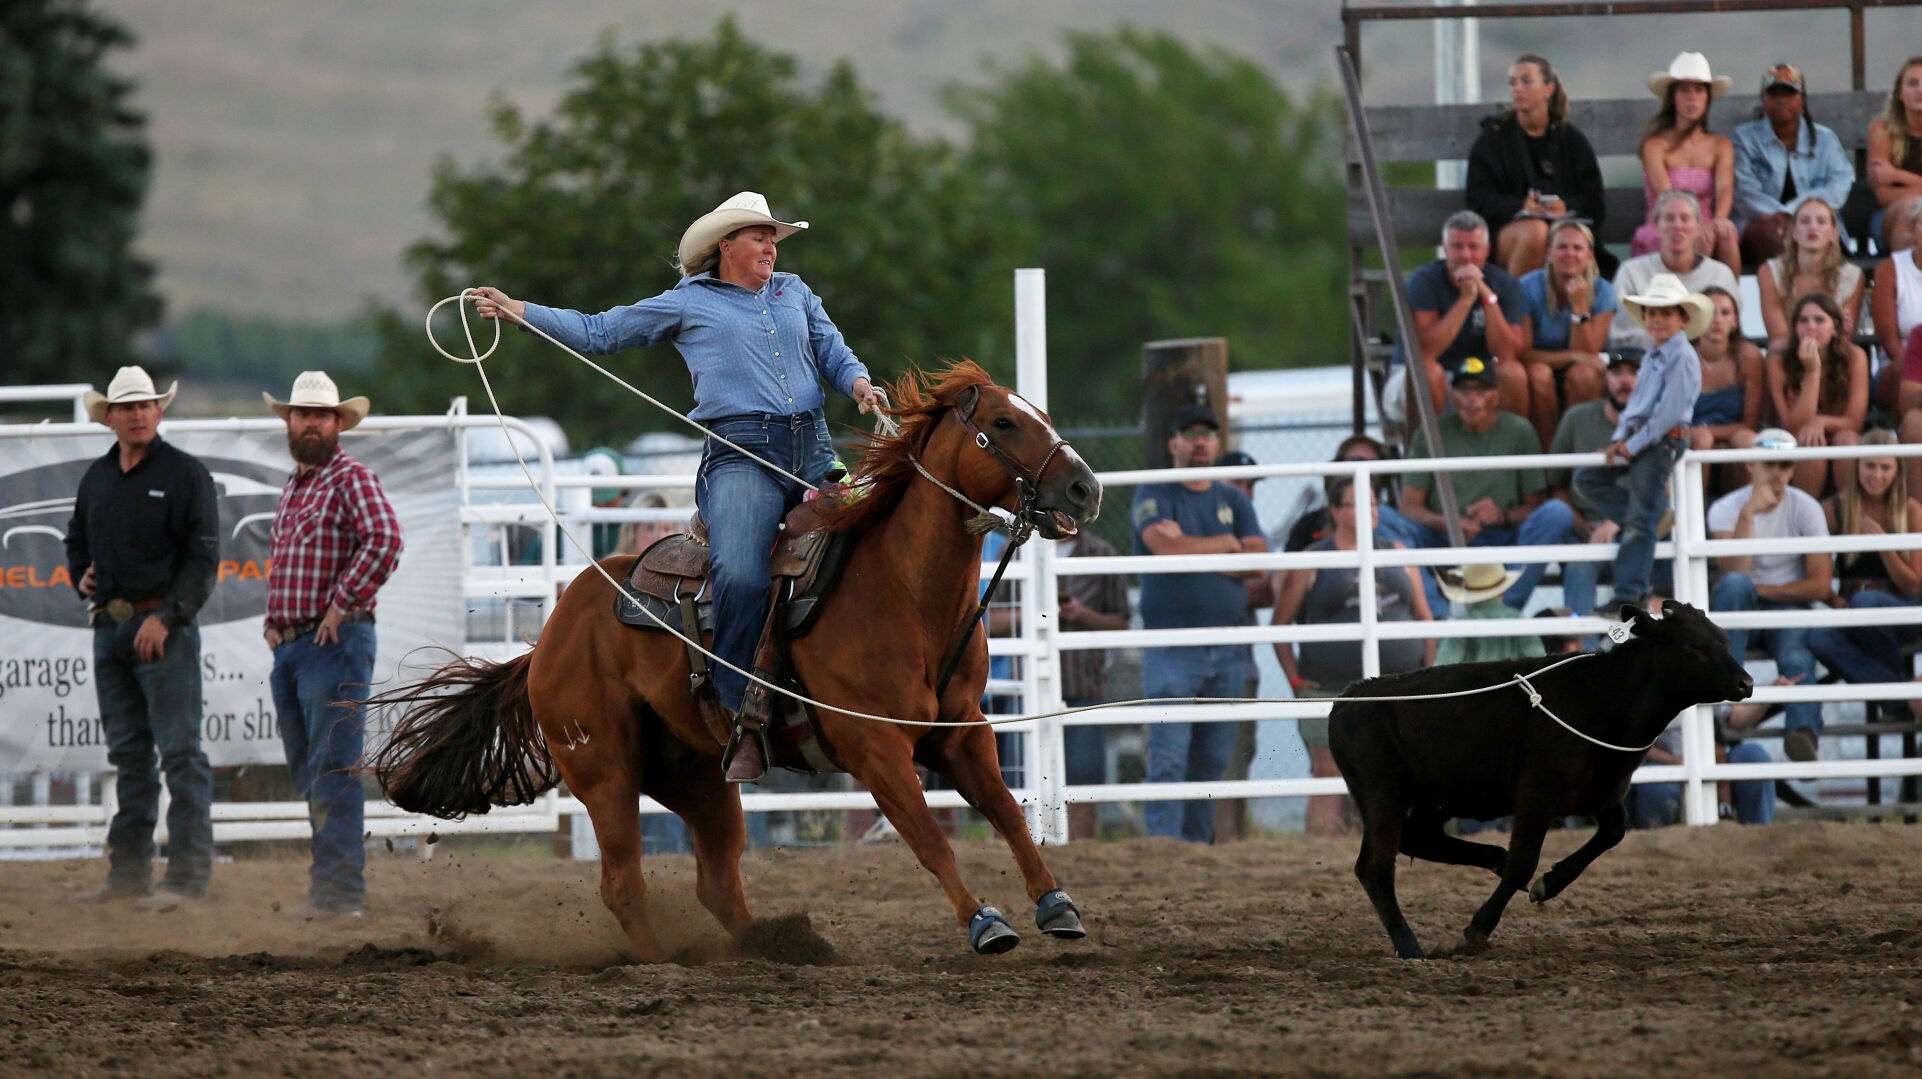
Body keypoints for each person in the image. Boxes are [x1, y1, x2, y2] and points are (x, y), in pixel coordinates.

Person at [468, 191, 881, 783]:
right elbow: (599, 332)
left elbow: (833, 352)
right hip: (742, 455)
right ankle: (740, 706)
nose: (771, 245)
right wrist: (519, 310)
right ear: (726, 246)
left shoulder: (797, 293)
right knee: (739, 570)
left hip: (813, 449)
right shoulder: (688, 303)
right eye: (759, 235)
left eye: (773, 236)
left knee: (882, 529)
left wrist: (860, 383)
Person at [63, 366, 219, 907]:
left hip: (161, 630)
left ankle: (186, 880)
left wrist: (167, 617)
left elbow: (202, 561)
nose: (137, 414)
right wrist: (81, 574)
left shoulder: (184, 475)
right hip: (110, 626)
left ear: (159, 411)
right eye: (127, 407)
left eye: (146, 405)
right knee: (130, 756)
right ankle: (128, 877)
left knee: (179, 753)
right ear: (110, 417)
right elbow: (75, 539)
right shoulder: (98, 478)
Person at [262, 371, 404, 919]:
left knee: (333, 769)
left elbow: (386, 538)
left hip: (335, 641)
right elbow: (292, 564)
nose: (312, 422)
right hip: (297, 645)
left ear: (338, 423)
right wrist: (275, 621)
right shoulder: (298, 484)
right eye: (303, 414)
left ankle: (341, 893)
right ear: (290, 422)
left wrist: (342, 603)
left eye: (321, 414)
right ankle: (330, 886)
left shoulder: (349, 477)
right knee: (312, 769)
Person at [1270, 474, 1435, 836]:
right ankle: (1323, 857)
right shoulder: (1311, 560)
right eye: (1359, 503)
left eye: (1374, 503)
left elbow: (1424, 618)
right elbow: (1279, 627)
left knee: (1394, 769)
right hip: (1329, 687)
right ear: (1335, 510)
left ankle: (1389, 848)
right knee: (1328, 772)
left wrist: (1428, 671)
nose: (1371, 510)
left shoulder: (1399, 554)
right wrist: (1296, 680)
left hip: (1398, 686)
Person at [1131, 404, 1266, 843]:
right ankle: (1165, 849)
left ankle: (1194, 850)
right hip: (1173, 647)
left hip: (1228, 647)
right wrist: (1228, 547)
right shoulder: (1153, 491)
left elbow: (1259, 563)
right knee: (1169, 757)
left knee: (1211, 760)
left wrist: (1197, 549)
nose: (1200, 441)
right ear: (1174, 443)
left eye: (1207, 434)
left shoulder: (1235, 499)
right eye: (1190, 434)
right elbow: (1163, 552)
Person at [1398, 357, 1577, 616]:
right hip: (1442, 539)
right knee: (1383, 520)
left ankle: (1501, 612)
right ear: (1452, 396)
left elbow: (1535, 505)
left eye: (1480, 390)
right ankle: (1436, 619)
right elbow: (1409, 507)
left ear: (1496, 395)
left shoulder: (1519, 430)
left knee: (1557, 513)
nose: (1472, 399)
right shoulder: (1430, 431)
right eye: (1463, 391)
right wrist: (1448, 522)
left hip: (1502, 539)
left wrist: (1502, 516)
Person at [1575, 274, 1706, 616]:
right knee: (1588, 480)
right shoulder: (1655, 355)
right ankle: (1647, 522)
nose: (1658, 320)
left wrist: (1630, 444)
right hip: (1648, 441)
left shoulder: (1681, 356)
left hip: (1662, 442)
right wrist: (1621, 439)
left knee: (1636, 522)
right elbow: (1639, 407)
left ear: (1683, 319)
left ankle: (1629, 596)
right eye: (1652, 313)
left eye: (1666, 313)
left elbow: (1669, 413)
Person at [1707, 427, 1832, 762]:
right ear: (1752, 465)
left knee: (1795, 654)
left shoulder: (1806, 507)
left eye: (1786, 464)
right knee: (1735, 586)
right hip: (1742, 602)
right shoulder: (1726, 508)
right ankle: (1720, 702)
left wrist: (1761, 590)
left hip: (1785, 606)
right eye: (1770, 463)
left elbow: (1821, 584)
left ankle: (1803, 733)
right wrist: (1749, 515)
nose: (1778, 471)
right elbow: (1734, 571)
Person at [1807, 430, 1922, 723]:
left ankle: (1898, 700)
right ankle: (1900, 697)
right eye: (1869, 466)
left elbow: (1913, 584)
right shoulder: (1834, 509)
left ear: (1897, 471)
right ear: (1857, 466)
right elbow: (1815, 570)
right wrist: (1834, 600)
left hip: (1902, 607)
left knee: (1867, 601)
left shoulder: (1910, 510)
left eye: (1885, 468)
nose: (1876, 475)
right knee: (1819, 638)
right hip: (1854, 606)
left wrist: (1884, 547)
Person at [1465, 54, 1607, 278]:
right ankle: (1518, 311)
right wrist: (1521, 206)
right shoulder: (1493, 140)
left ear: (1548, 89)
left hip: (1562, 231)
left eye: (1526, 81)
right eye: (1513, 83)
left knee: (1565, 239)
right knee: (1536, 231)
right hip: (1506, 236)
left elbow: (1595, 203)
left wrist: (1564, 206)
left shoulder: (1571, 140)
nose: (1517, 89)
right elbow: (1477, 201)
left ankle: (1570, 309)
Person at [1402, 210, 1530, 422]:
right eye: (1457, 247)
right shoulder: (1423, 281)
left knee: (1513, 373)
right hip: (1426, 371)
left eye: (1473, 247)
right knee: (1428, 372)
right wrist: (1466, 299)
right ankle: (1426, 450)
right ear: (1445, 249)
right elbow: (1426, 352)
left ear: (1487, 250)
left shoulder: (1506, 284)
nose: (1466, 256)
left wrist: (1487, 296)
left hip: (1480, 372)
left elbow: (1507, 352)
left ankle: (1512, 450)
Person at [1730, 62, 1857, 266]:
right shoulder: (1744, 139)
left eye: (1789, 94)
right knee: (1775, 235)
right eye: (1774, 94)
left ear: (1802, 100)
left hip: (1815, 221)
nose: (1782, 101)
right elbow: (1743, 191)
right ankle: (1794, 292)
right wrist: (1779, 217)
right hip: (1762, 224)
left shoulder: (1825, 139)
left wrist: (1796, 214)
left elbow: (1840, 183)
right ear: (1763, 100)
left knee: (1816, 232)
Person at [1548, 350, 1642, 621]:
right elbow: (1555, 487)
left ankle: (1637, 652)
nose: (1625, 381)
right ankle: (1583, 654)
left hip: (1636, 533)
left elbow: (1666, 492)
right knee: (1579, 561)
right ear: (1605, 379)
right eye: (1617, 373)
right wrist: (1580, 524)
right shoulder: (1576, 418)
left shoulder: (1656, 424)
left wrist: (1617, 521)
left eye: (1633, 373)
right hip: (1583, 533)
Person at [1051, 530, 1131, 840]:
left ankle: (1081, 852)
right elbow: (992, 619)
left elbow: (1121, 621)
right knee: (1016, 778)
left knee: (1085, 777)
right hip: (1030, 687)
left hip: (1085, 681)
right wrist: (1039, 613)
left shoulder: (1103, 553)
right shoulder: (1015, 548)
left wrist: (1081, 613)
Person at [1632, 52, 1741, 275]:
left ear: (1707, 98)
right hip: (1665, 223)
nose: (1692, 97)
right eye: (1684, 90)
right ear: (1673, 97)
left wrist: (1720, 218)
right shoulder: (1655, 144)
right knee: (1701, 237)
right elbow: (1666, 195)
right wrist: (1689, 223)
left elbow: (1725, 188)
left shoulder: (1720, 145)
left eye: (1699, 90)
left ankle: (1728, 304)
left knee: (1727, 237)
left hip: (1706, 223)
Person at [1518, 219, 1618, 448]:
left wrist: (1579, 305)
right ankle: (1550, 457)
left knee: (1584, 375)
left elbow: (1588, 353)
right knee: (1539, 375)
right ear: (1549, 252)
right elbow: (1523, 353)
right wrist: (1571, 356)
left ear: (1590, 255)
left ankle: (1581, 455)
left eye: (1577, 248)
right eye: (1562, 247)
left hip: (1582, 368)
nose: (1569, 253)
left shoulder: (1603, 290)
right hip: (1540, 365)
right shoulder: (1527, 287)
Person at [1611, 189, 1740, 352]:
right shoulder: (1630, 272)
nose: (1677, 226)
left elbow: (1732, 330)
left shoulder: (1721, 275)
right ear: (1656, 227)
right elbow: (1621, 335)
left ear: (1699, 227)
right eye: (1669, 219)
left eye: (1685, 219)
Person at [1767, 293, 1869, 497]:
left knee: (1847, 439)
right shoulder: (1779, 360)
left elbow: (1855, 421)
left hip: (1839, 434)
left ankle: (1846, 514)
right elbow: (1794, 425)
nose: (1810, 326)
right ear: (1795, 328)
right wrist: (1812, 371)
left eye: (1819, 320)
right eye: (1803, 320)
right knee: (1809, 444)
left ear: (1835, 328)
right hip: (1794, 440)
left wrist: (1821, 421)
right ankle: (1807, 522)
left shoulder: (1855, 357)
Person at [1757, 197, 1863, 352]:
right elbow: (1778, 335)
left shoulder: (1852, 276)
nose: (1813, 227)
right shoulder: (1770, 272)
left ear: (1834, 234)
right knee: (1777, 348)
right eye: (1805, 221)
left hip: (1831, 353)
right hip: (1790, 353)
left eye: (1821, 221)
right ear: (1793, 232)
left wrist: (1841, 330)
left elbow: (1844, 337)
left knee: (1856, 354)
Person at [1690, 286, 1765, 460]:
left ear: (1735, 321)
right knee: (1703, 440)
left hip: (1735, 436)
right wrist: (1701, 434)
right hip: (1691, 439)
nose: (1717, 320)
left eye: (1725, 313)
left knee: (1747, 439)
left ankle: (1753, 489)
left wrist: (1708, 432)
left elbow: (1751, 424)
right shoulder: (1681, 357)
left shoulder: (1748, 357)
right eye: (1709, 313)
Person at [1434, 563, 1544, 665]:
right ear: (1502, 590)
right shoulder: (1518, 619)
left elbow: (1443, 664)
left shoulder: (1461, 623)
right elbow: (1538, 660)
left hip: (1475, 685)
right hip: (1512, 683)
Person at [1867, 55, 1922, 254]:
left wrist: (1897, 176)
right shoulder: (1883, 129)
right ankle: (1904, 283)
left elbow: (1890, 183)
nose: (1920, 90)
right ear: (1899, 92)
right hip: (1890, 219)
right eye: (1913, 84)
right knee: (1912, 206)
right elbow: (1883, 195)